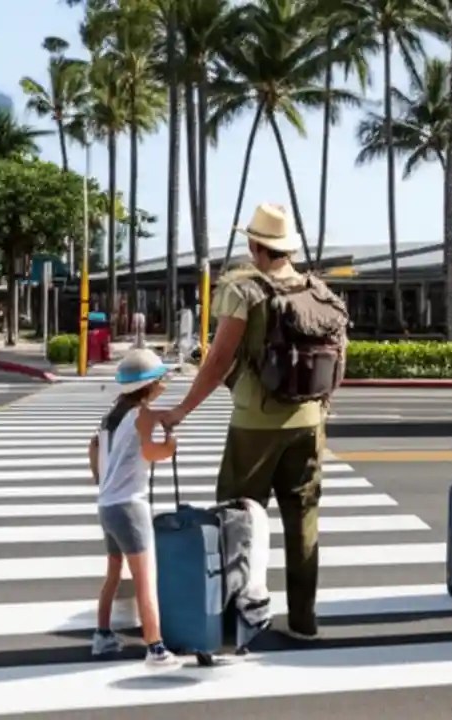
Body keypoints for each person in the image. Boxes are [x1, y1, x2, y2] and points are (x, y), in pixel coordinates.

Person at [157, 203, 338, 642]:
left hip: (254, 425)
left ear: (256, 245)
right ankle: (303, 622)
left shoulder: (244, 291)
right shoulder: (319, 292)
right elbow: (337, 361)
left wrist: (179, 411)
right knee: (303, 523)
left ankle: (230, 622)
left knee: (238, 521)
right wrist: (321, 408)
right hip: (309, 423)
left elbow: (218, 361)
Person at [88, 348, 180, 665]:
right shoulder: (140, 416)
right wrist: (170, 444)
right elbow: (152, 452)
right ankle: (155, 647)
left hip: (107, 505)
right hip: (129, 506)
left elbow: (93, 447)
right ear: (150, 385)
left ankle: (102, 635)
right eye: (161, 379)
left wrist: (102, 480)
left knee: (113, 573)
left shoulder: (112, 416)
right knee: (144, 578)